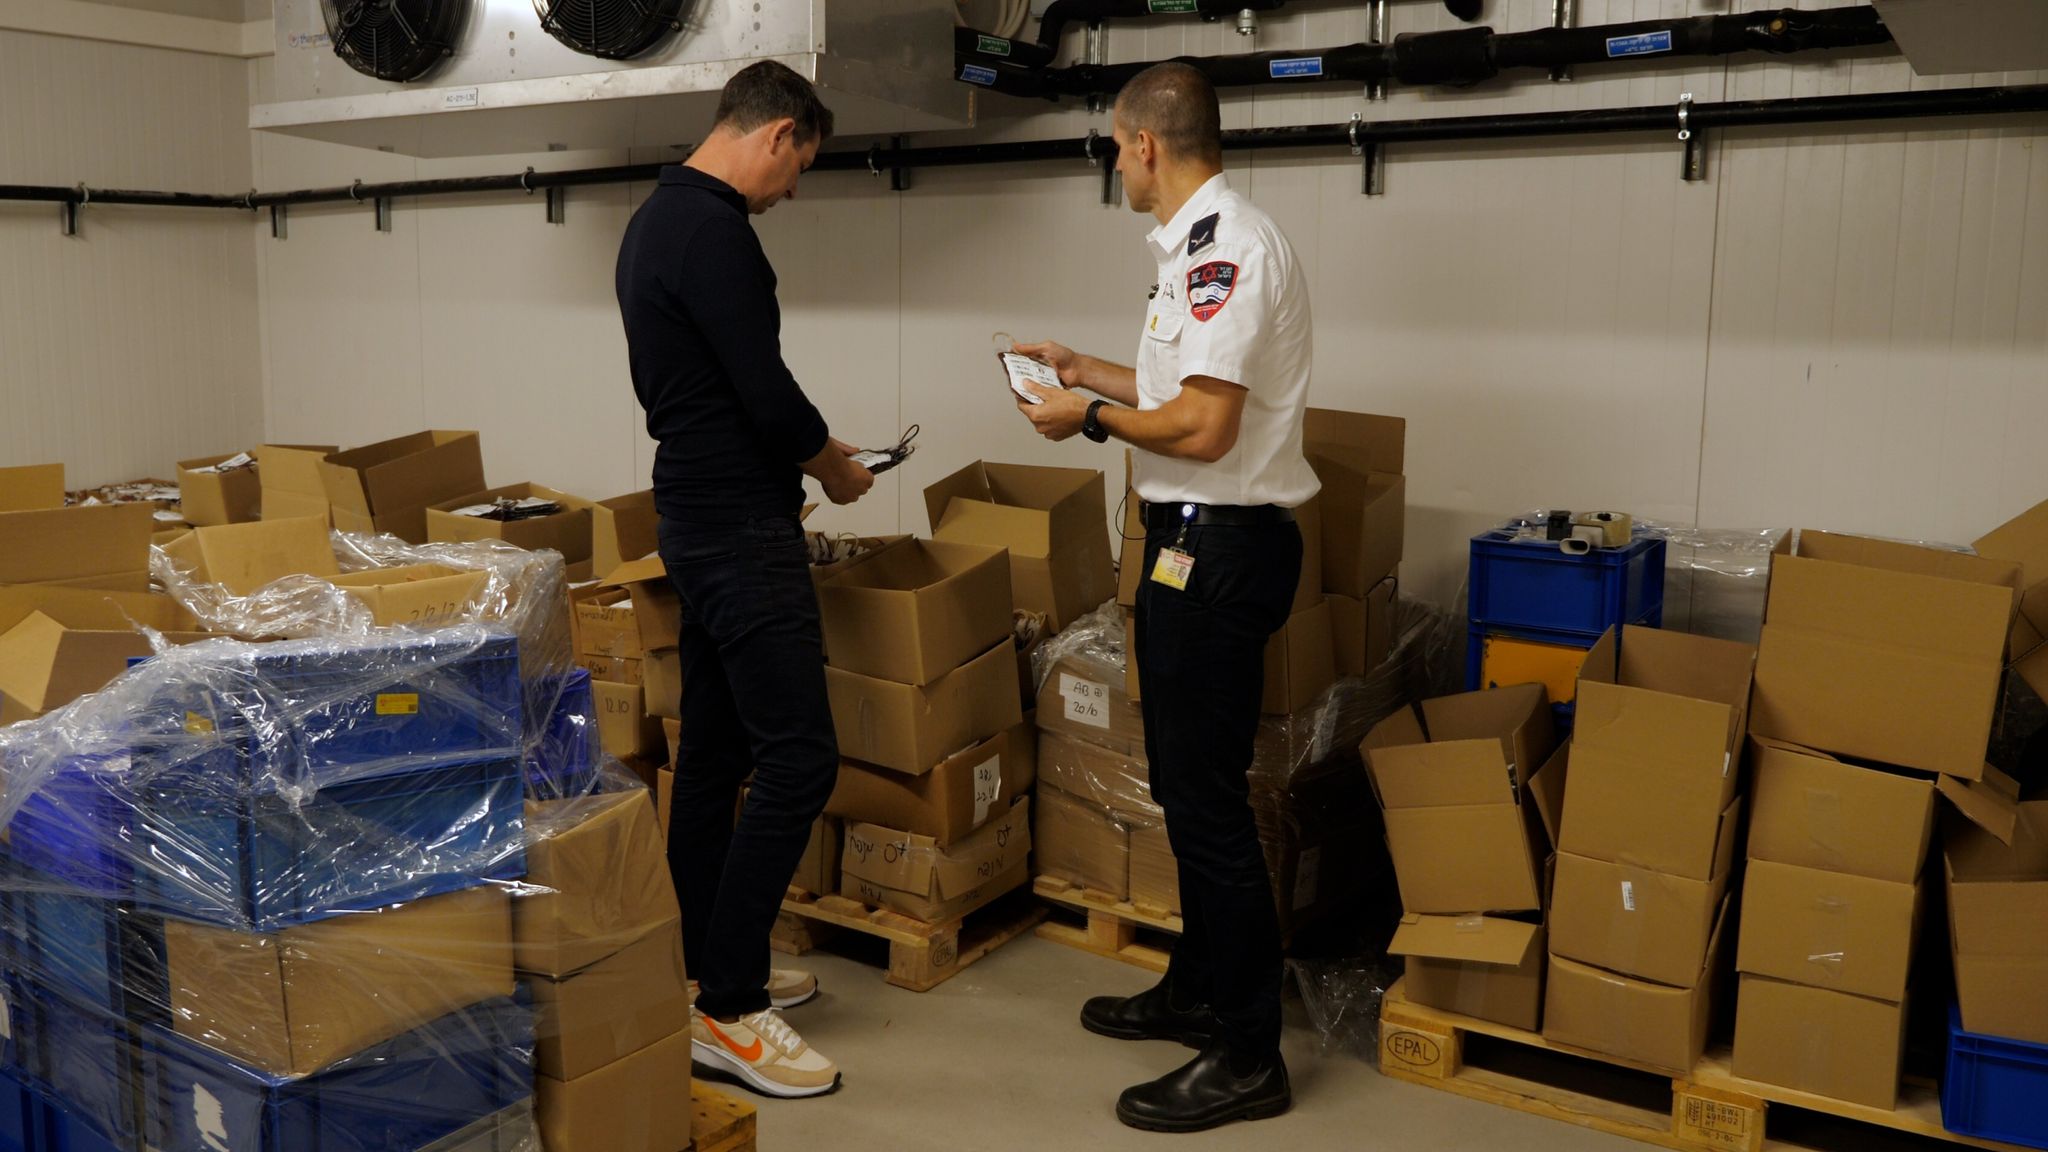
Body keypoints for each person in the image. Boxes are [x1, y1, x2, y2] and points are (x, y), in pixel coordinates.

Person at [1012, 61, 1319, 1133]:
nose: (1110, 159)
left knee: (1205, 803)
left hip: (1218, 551)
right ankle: (1198, 986)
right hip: (1192, 544)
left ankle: (1246, 1055)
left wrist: (1082, 424)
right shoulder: (1195, 248)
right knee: (1188, 787)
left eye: (1111, 142)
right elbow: (1171, 388)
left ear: (1145, 143)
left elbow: (1202, 427)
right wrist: (1082, 371)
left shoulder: (1225, 247)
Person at [615, 59, 874, 1100]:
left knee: (716, 753)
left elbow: (728, 389)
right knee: (802, 758)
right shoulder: (717, 231)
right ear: (775, 135)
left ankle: (701, 966)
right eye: (798, 168)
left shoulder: (652, 221)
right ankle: (728, 1009)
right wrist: (833, 465)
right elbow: (765, 398)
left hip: (694, 511)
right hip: (737, 528)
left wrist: (799, 452)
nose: (792, 191)